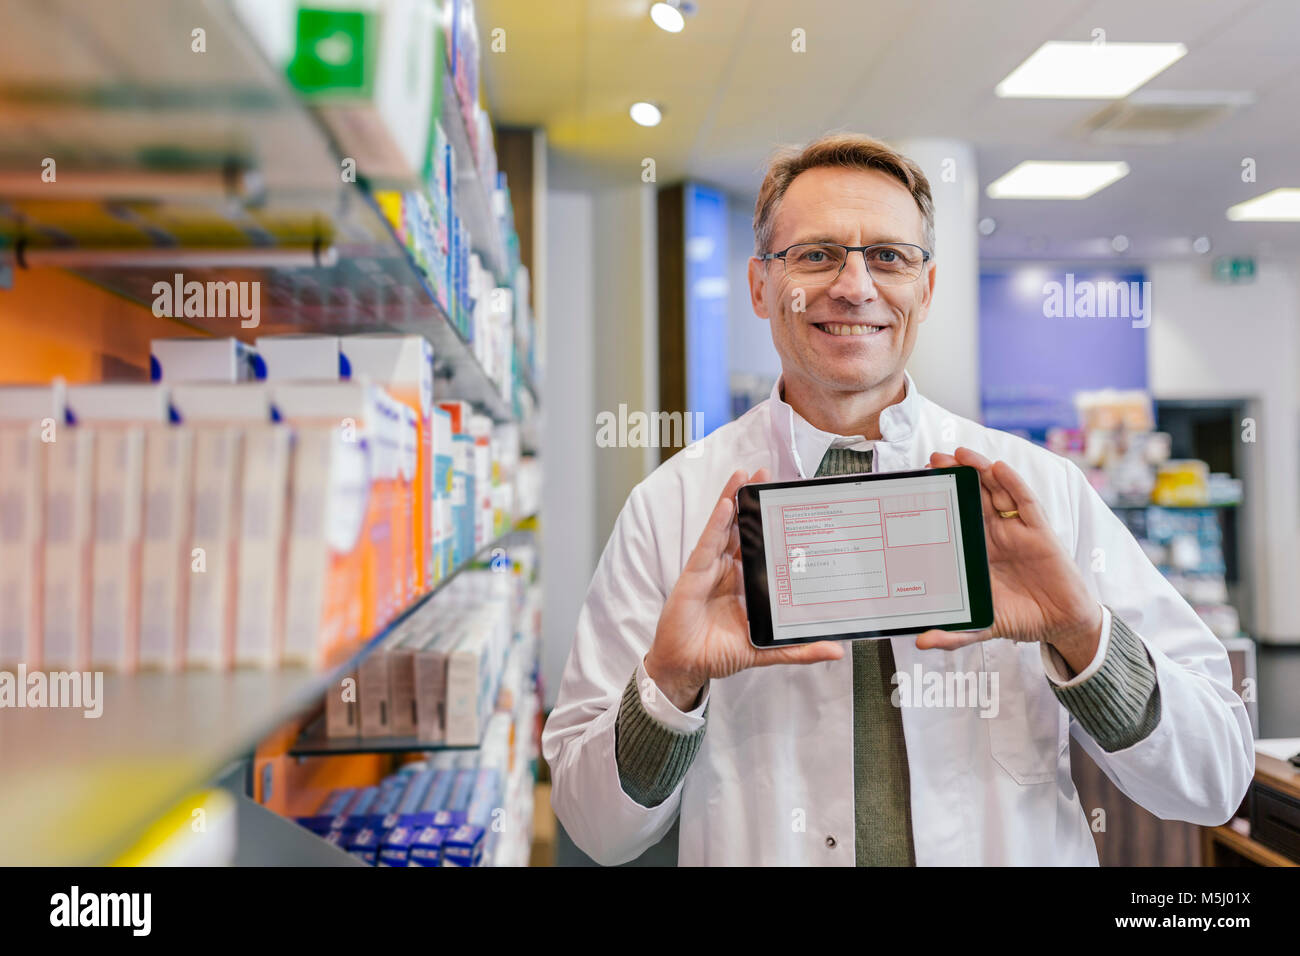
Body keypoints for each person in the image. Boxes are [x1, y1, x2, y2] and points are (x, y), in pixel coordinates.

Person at [541, 132, 1254, 866]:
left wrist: (1082, 635)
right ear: (760, 285)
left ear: (927, 287)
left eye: (888, 256)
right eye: (815, 254)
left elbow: (1215, 780)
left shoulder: (1037, 493)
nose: (854, 287)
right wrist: (669, 684)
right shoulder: (675, 508)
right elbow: (598, 829)